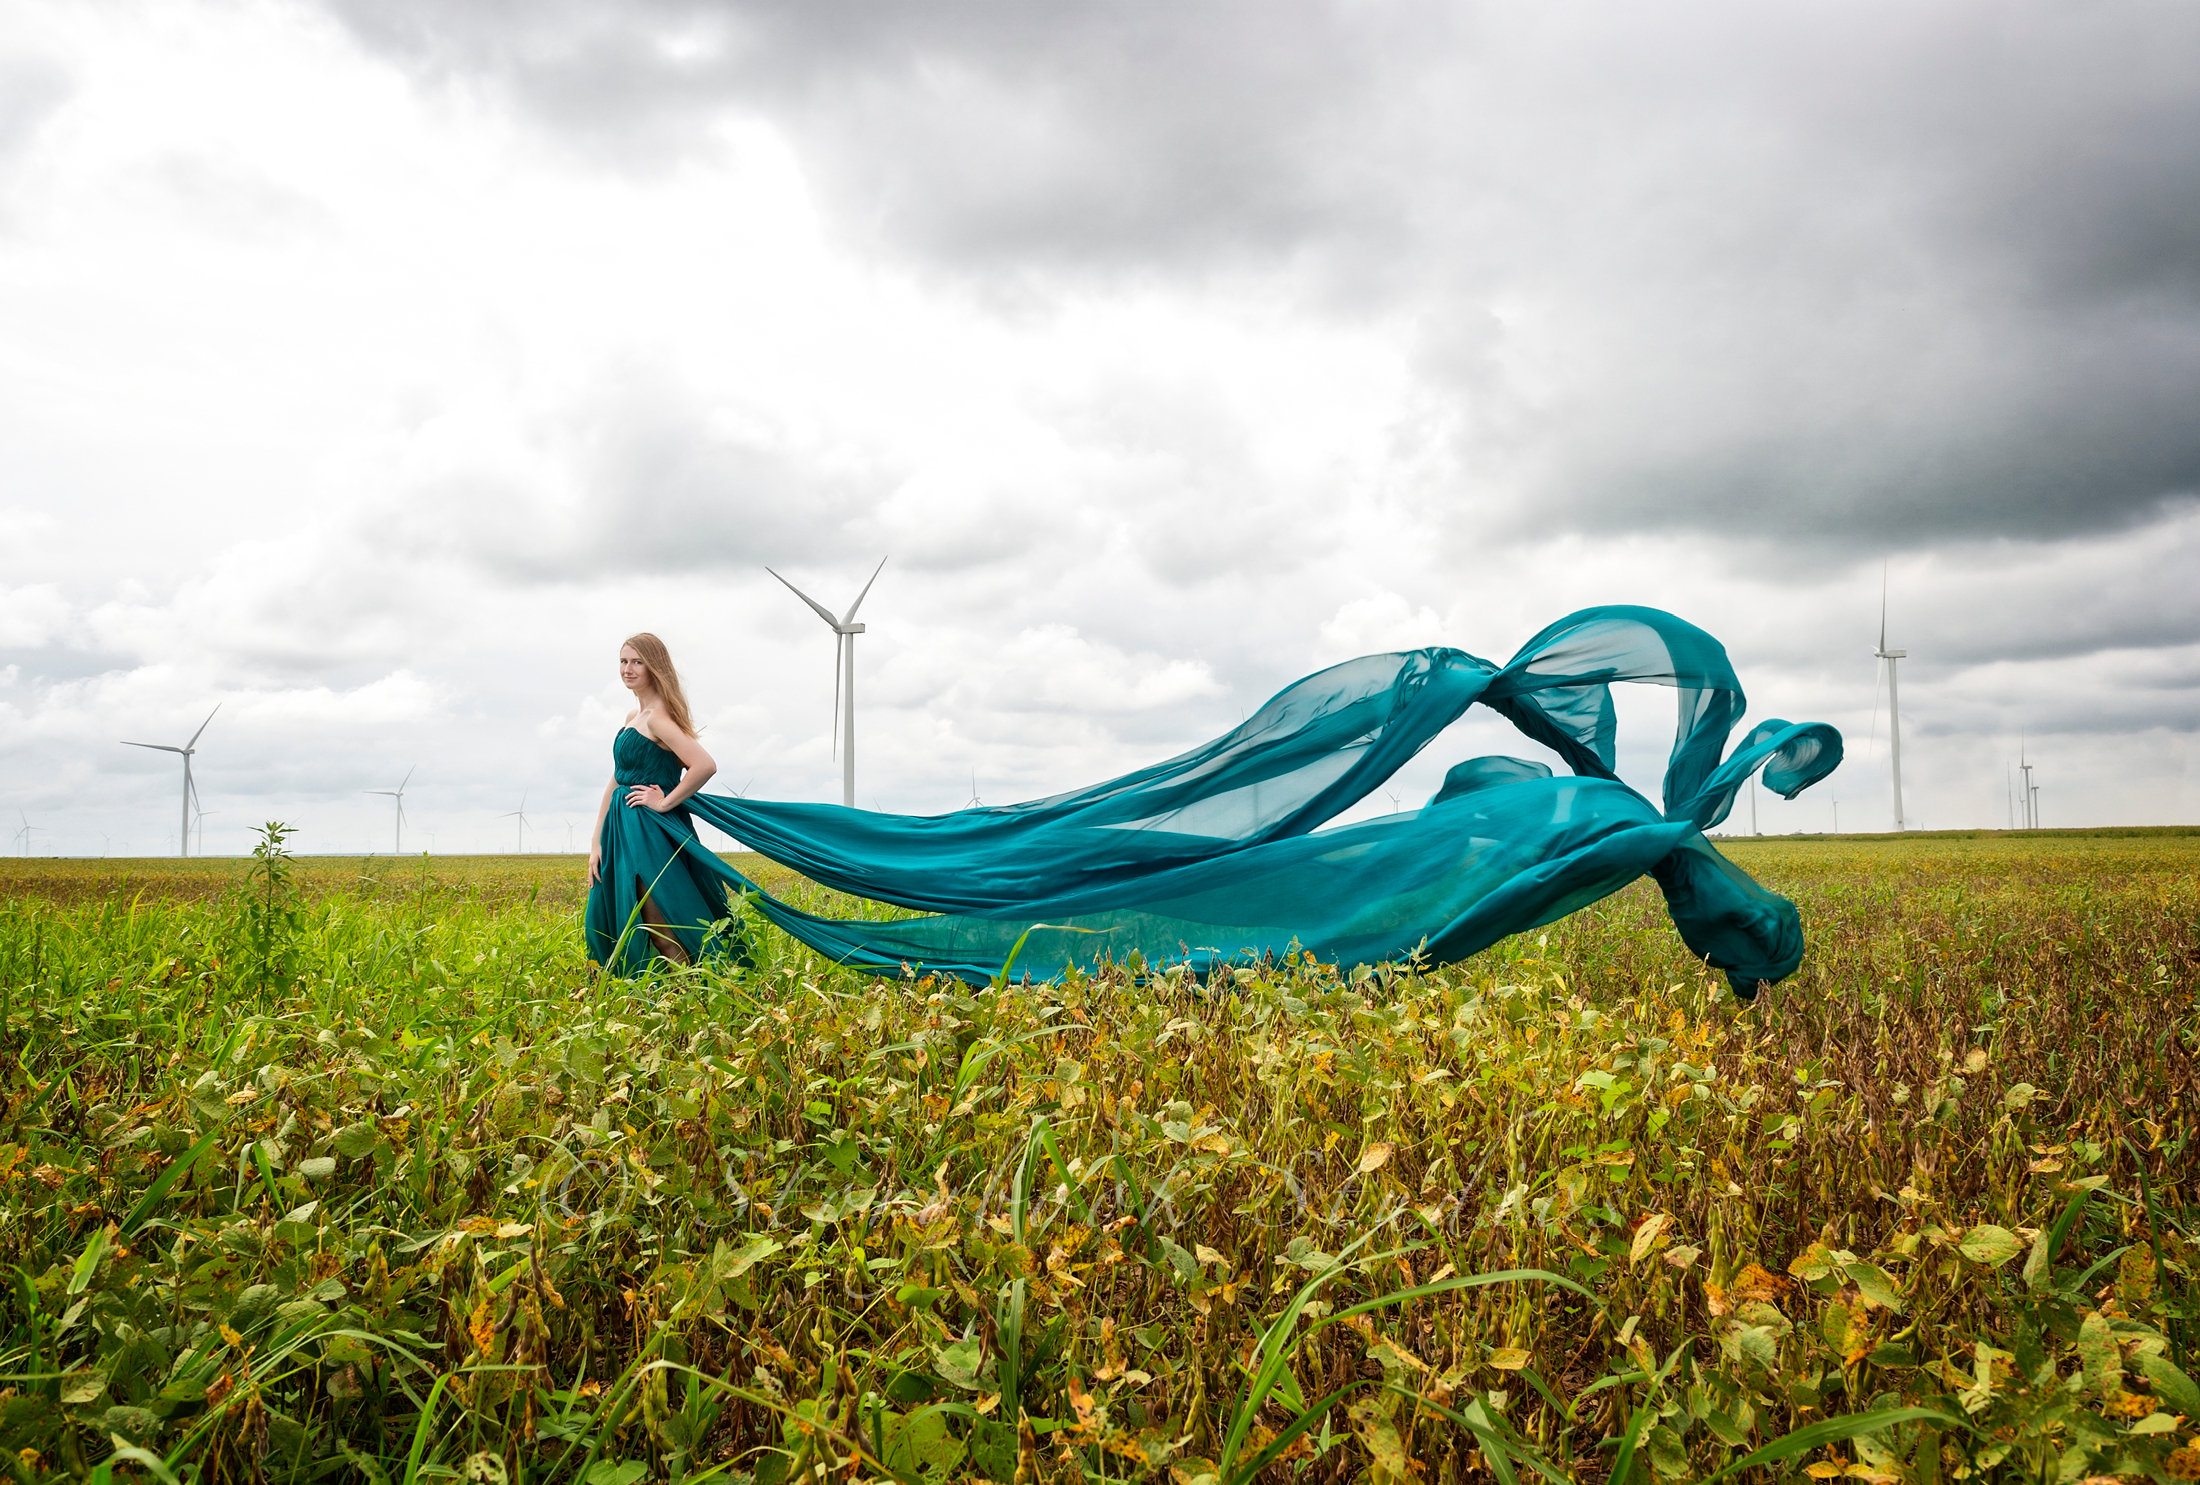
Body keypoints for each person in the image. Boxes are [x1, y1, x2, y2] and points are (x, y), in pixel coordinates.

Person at [583, 633, 752, 972]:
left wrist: (664, 802)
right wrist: (596, 842)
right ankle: (647, 995)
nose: (628, 669)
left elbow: (704, 765)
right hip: (621, 831)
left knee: (659, 923)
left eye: (637, 662)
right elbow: (616, 779)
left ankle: (692, 994)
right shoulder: (634, 716)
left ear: (654, 667)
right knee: (613, 917)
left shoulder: (659, 718)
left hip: (649, 832)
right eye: (623, 661)